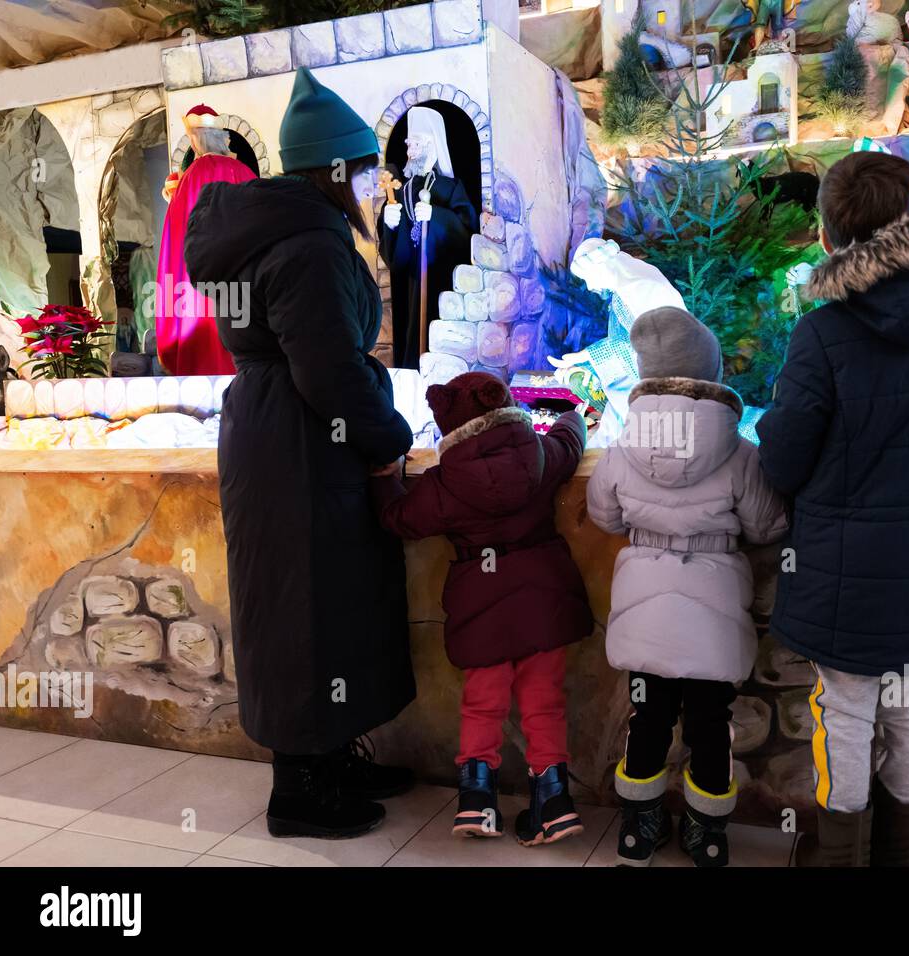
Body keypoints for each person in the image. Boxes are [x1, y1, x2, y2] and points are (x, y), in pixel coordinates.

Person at [184, 66, 416, 839]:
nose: (374, 187)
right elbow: (329, 370)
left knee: (318, 601)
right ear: (336, 171)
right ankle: (300, 790)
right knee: (304, 609)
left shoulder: (273, 232)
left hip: (278, 437)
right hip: (300, 443)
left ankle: (331, 753)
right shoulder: (310, 246)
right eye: (365, 172)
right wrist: (388, 439)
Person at [756, 151, 909, 867]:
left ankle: (835, 857)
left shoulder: (821, 335)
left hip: (842, 575)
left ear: (826, 236)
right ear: (908, 219)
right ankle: (901, 857)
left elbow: (784, 458)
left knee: (845, 716)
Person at [586, 307, 787, 867]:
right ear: (710, 370)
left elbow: (603, 515)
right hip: (713, 611)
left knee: (647, 717)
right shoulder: (739, 451)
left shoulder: (624, 447)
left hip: (644, 613)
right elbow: (769, 526)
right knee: (709, 724)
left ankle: (638, 828)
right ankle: (708, 835)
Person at [372, 372, 594, 846]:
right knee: (544, 702)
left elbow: (398, 520)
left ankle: (477, 800)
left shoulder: (442, 484)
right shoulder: (540, 456)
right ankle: (554, 801)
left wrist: (387, 477)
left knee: (482, 703)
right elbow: (570, 437)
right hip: (545, 602)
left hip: (482, 609)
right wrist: (571, 413)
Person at [155, 104, 255, 375]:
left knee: (205, 332)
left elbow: (180, 234)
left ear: (195, 138)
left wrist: (173, 199)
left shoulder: (196, 173)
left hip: (202, 280)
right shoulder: (244, 172)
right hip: (242, 277)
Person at [377, 106, 478, 369]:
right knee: (410, 331)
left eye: (418, 144)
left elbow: (467, 229)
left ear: (433, 145)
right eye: (409, 144)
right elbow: (392, 248)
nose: (411, 150)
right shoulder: (400, 189)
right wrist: (389, 223)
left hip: (441, 275)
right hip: (411, 278)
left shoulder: (450, 187)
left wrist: (437, 217)